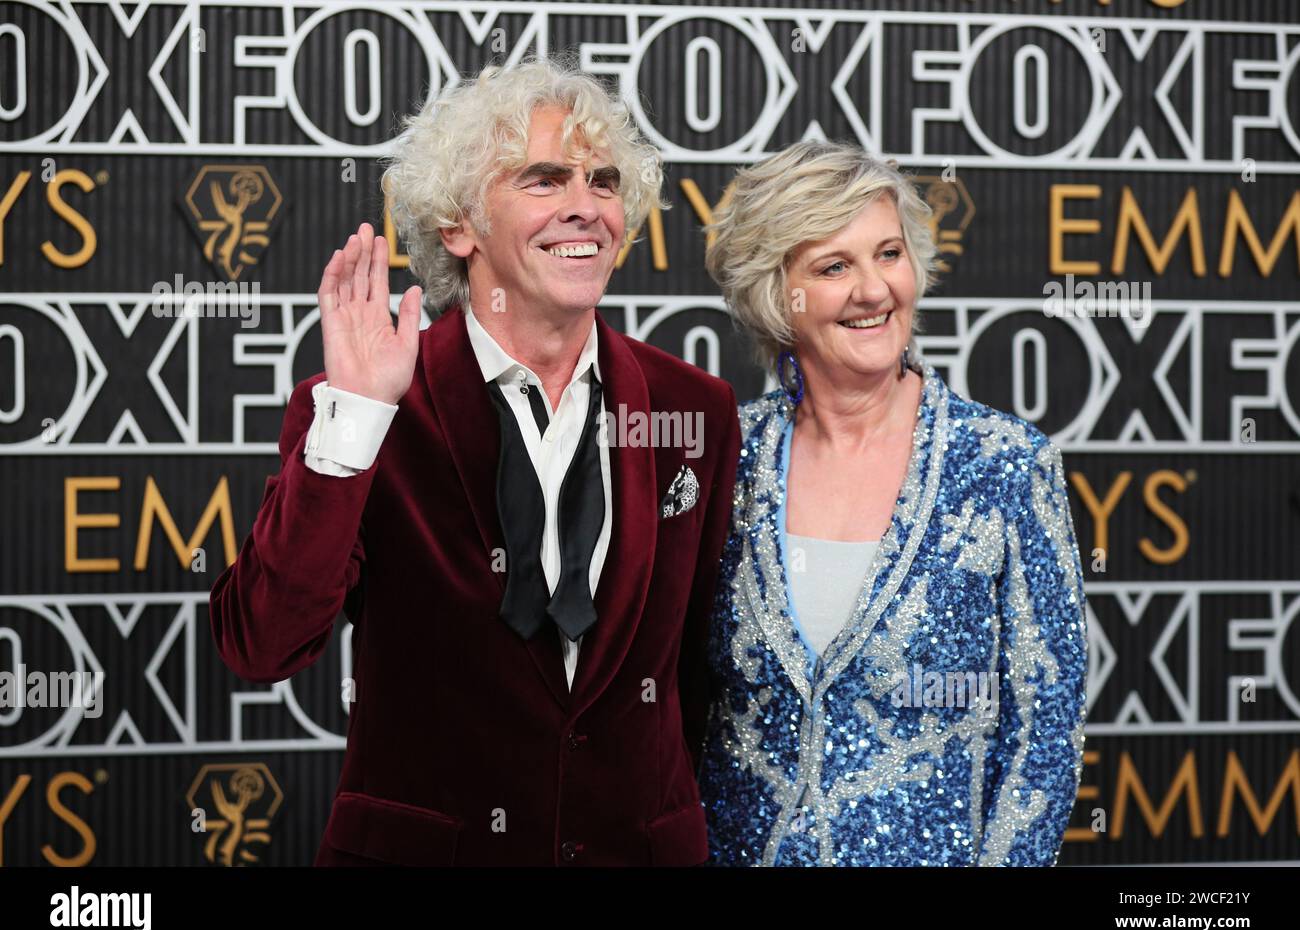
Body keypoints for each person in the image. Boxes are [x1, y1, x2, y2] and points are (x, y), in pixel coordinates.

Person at [209, 57, 741, 866]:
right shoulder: (369, 402)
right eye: (542, 180)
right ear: (458, 224)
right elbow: (264, 644)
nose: (584, 208)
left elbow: (700, 674)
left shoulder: (692, 406)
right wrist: (356, 420)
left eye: (602, 181)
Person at [697, 141, 1089, 866]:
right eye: (834, 266)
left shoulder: (1002, 463)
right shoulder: (726, 457)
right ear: (772, 291)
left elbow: (1046, 732)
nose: (874, 290)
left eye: (888, 254)